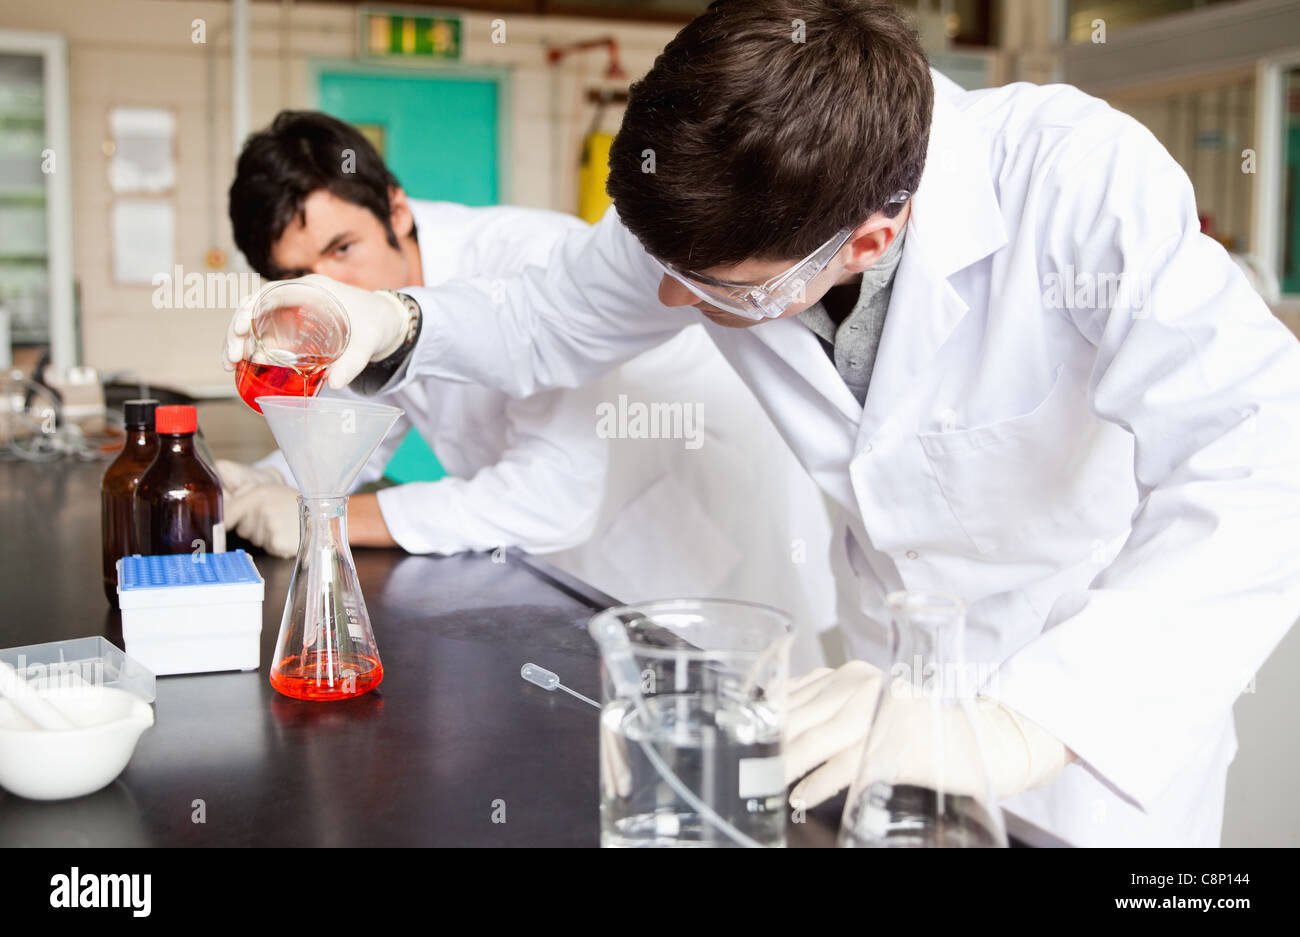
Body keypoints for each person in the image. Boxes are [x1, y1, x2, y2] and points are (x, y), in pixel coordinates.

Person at [224, 2, 1300, 846]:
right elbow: (546, 319)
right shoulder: (720, 199)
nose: (681, 307)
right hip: (877, 682)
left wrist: (1025, 718)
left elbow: (1261, 458)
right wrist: (386, 318)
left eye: (722, 292)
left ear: (867, 243)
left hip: (1073, 698)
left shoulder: (1072, 185)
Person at [221, 111, 838, 672]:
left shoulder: (524, 261)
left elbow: (550, 497)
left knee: (750, 733)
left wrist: (325, 520)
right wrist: (262, 483)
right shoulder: (379, 299)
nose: (330, 288)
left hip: (697, 531)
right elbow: (355, 421)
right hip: (580, 560)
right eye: (298, 276)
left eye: (343, 248)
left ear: (395, 209)